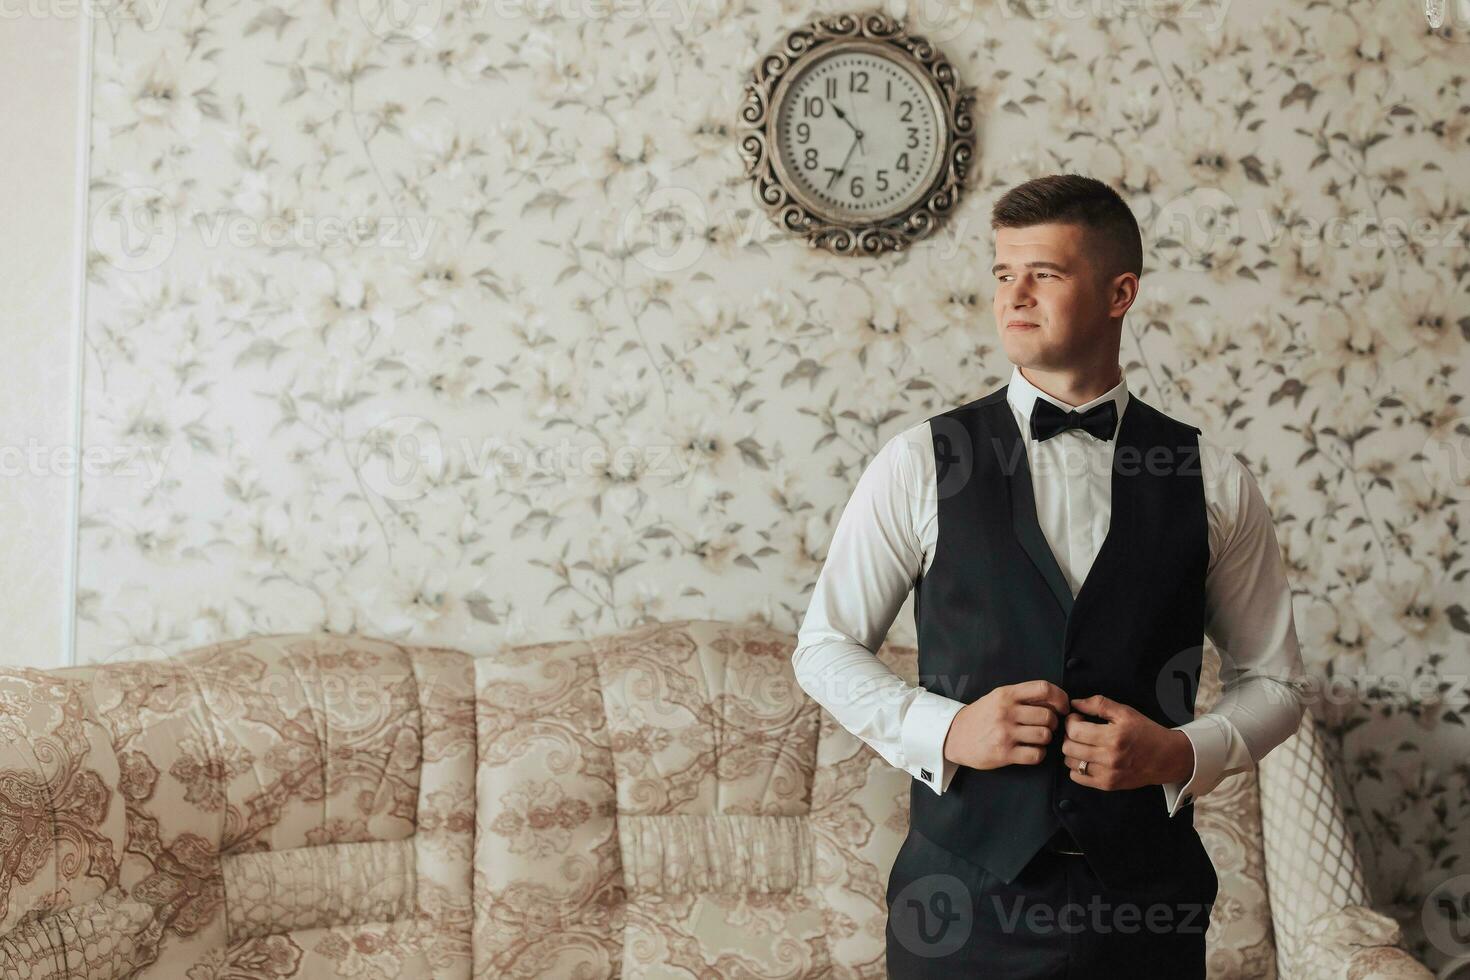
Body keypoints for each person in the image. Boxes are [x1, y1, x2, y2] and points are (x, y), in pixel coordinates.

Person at [791, 173, 1309, 978]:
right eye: (1003, 274)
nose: (1014, 296)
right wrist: (947, 728)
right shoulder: (919, 463)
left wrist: (1178, 752)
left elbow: (1275, 682)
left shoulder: (1211, 477)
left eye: (1046, 274)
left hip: (1146, 908)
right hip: (959, 908)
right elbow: (823, 646)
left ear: (1119, 292)